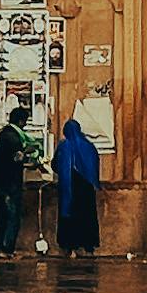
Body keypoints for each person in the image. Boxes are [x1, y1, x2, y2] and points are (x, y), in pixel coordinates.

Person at [54, 110, 101, 257]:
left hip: (70, 188)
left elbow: (56, 165)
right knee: (87, 217)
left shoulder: (64, 146)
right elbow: (95, 166)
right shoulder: (89, 146)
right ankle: (89, 248)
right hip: (87, 187)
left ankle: (71, 248)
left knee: (70, 217)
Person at [0, 103, 33, 257]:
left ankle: (0, 248)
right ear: (21, 121)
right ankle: (7, 250)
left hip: (1, 181)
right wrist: (27, 152)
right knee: (12, 216)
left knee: (3, 216)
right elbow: (17, 158)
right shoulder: (14, 137)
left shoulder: (4, 134)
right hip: (11, 182)